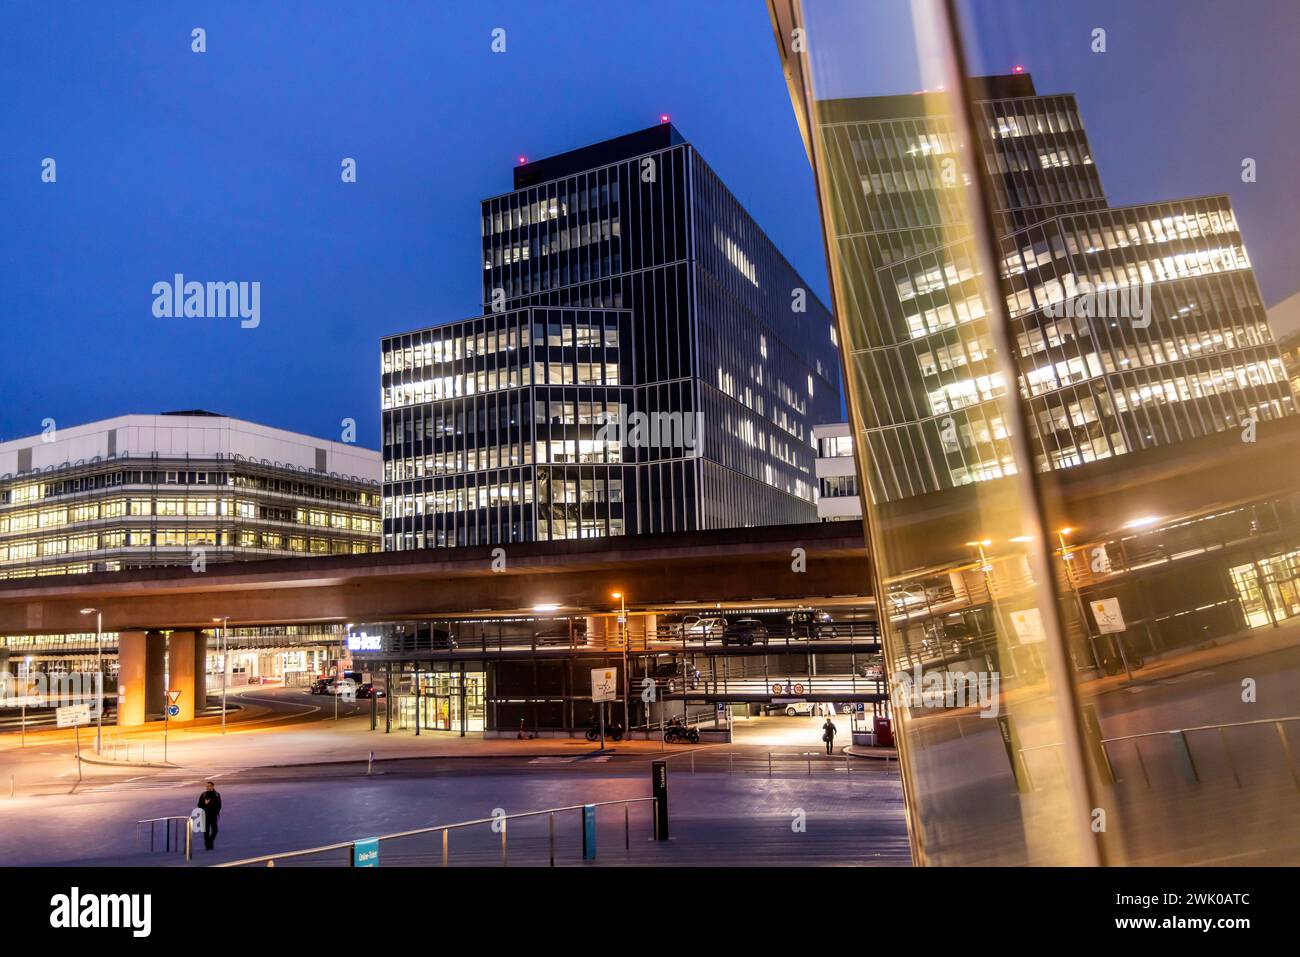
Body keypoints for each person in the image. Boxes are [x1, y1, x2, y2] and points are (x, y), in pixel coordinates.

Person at [197, 781, 222, 850]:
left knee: (215, 830)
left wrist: (216, 812)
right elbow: (199, 805)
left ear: (212, 786)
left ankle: (210, 842)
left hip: (213, 816)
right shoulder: (204, 795)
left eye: (209, 786)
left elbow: (219, 805)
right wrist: (205, 804)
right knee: (206, 830)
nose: (207, 787)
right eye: (206, 786)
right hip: (205, 816)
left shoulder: (217, 794)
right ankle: (208, 846)